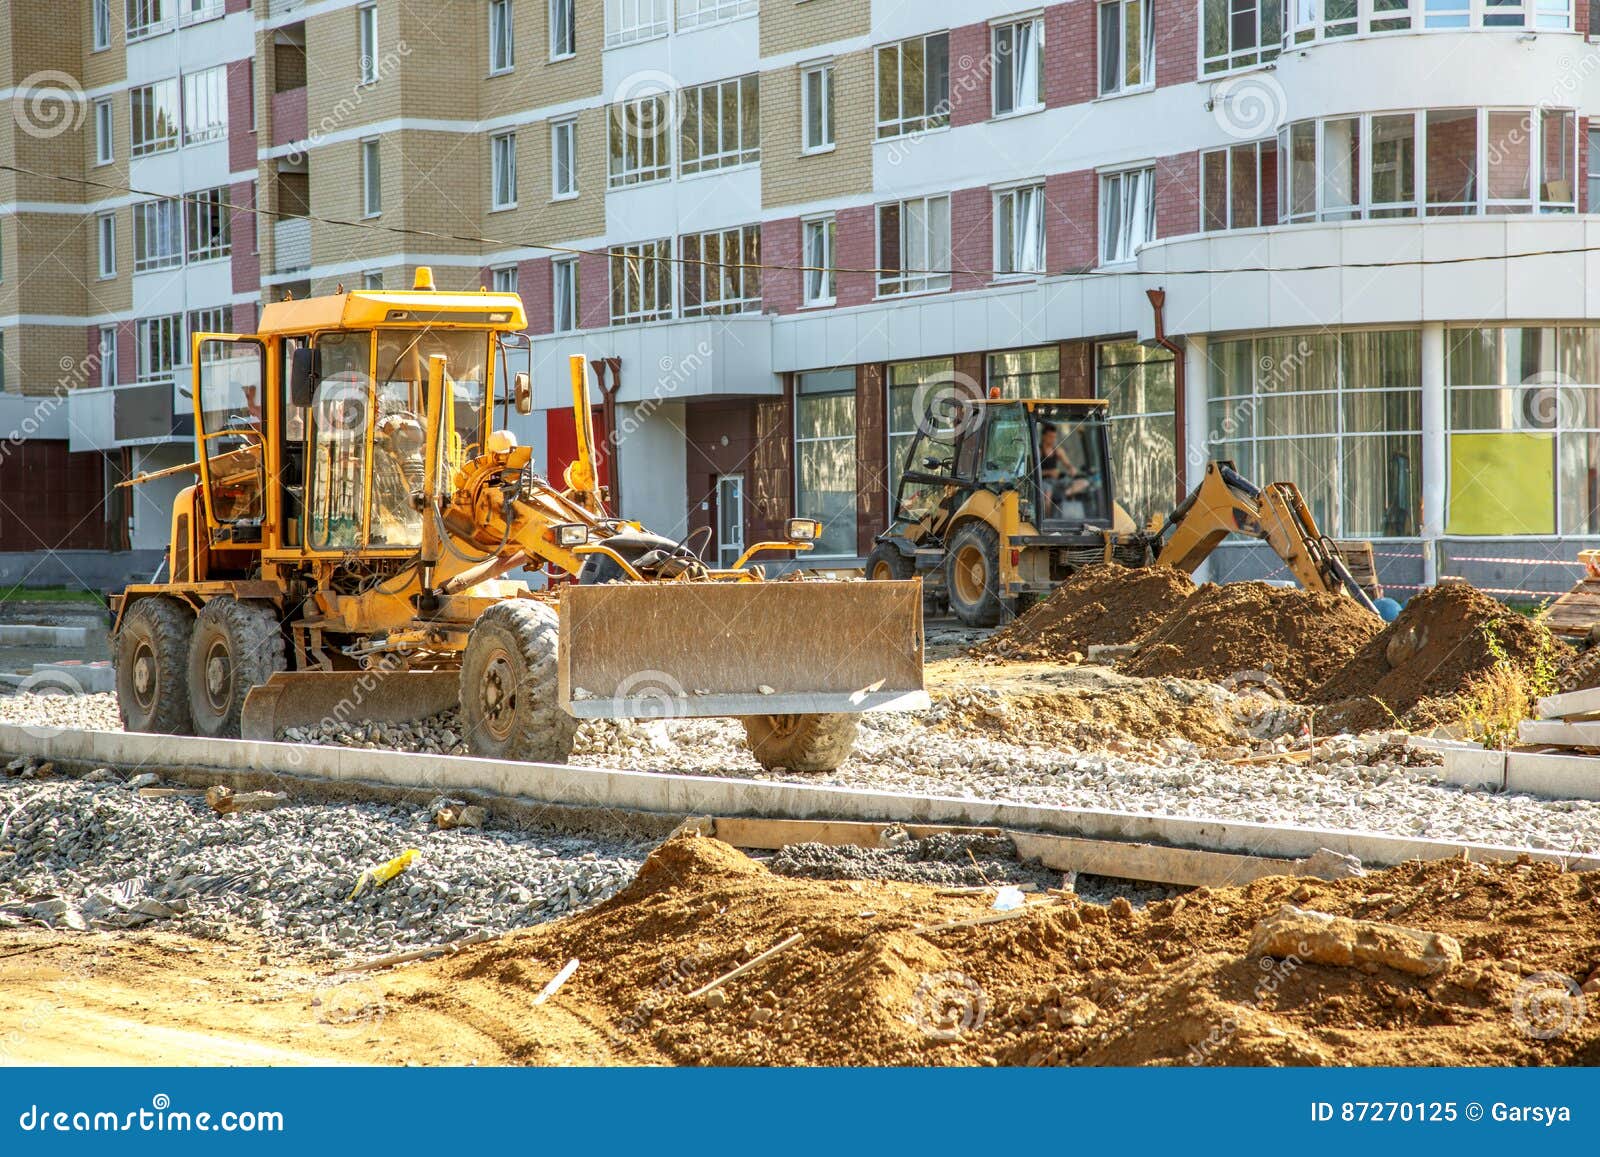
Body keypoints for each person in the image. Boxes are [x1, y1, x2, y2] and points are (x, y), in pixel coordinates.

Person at [1038, 422, 1090, 518]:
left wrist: (1071, 469)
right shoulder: (1038, 451)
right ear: (1044, 436)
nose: (1053, 439)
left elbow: (1067, 464)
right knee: (1047, 494)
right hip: (1044, 482)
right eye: (1050, 437)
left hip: (1057, 482)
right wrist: (1049, 472)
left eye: (1054, 437)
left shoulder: (1057, 450)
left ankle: (1065, 494)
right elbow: (1033, 472)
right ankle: (1047, 519)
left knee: (1084, 483)